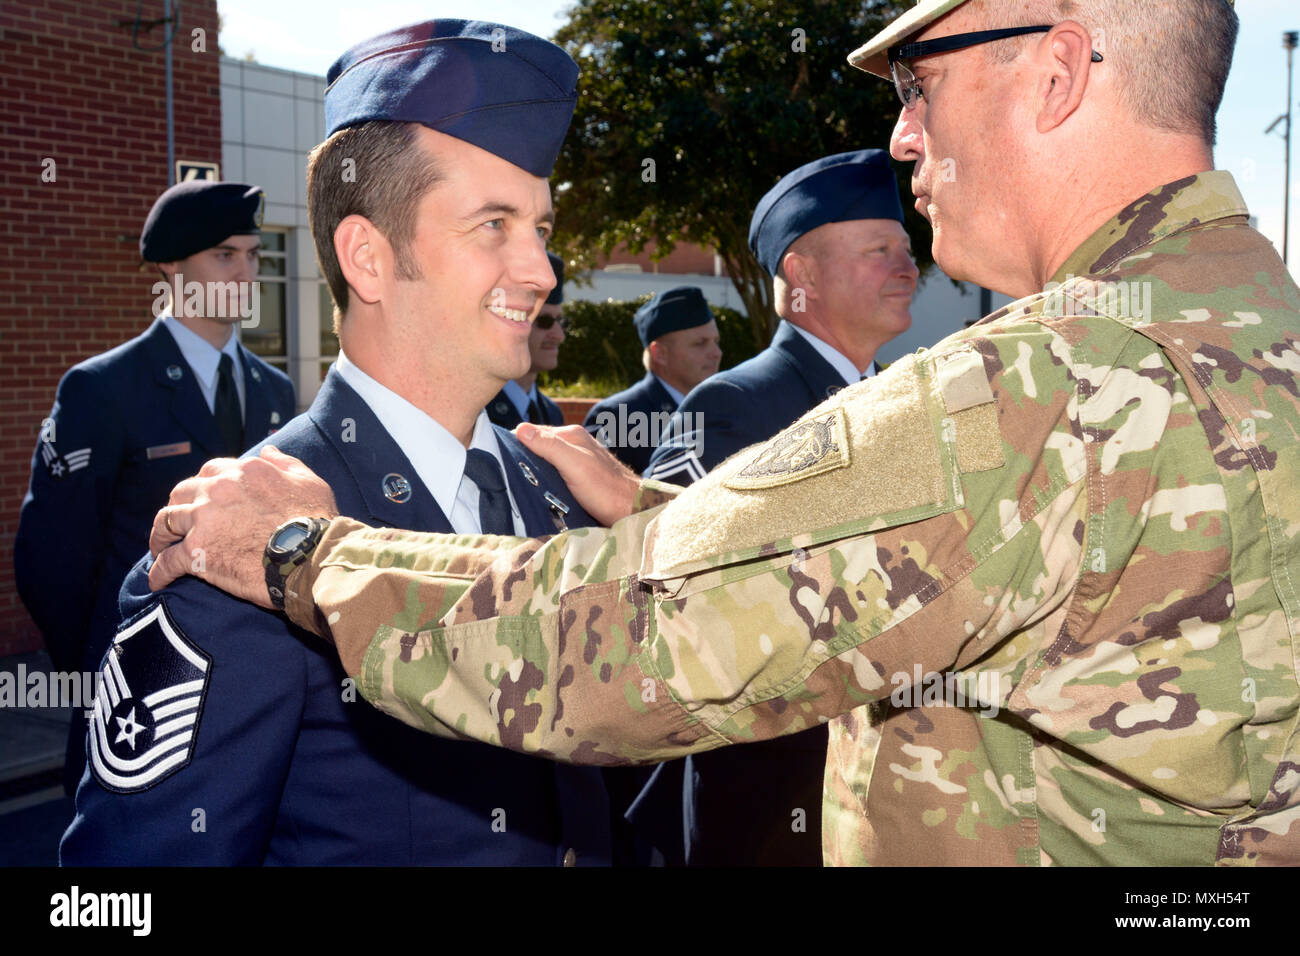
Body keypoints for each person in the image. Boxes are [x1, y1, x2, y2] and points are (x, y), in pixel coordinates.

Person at [152, 0, 1300, 865]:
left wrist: (303, 553)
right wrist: (664, 516)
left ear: (1054, 72)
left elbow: (628, 645)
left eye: (917, 83)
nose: (904, 139)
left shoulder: (1041, 384)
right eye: (492, 222)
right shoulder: (1249, 327)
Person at [61, 19, 616, 867]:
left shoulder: (564, 490)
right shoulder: (232, 551)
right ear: (367, 256)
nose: (542, 270)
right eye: (495, 225)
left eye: (540, 227)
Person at [637, 149, 919, 866]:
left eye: (906, 249)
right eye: (879, 249)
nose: (907, 267)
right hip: (774, 807)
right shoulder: (733, 405)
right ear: (802, 273)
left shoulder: (909, 403)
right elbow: (676, 606)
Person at [14, 179, 296, 794]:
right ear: (171, 266)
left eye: (254, 254)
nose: (247, 271)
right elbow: (52, 560)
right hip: (139, 696)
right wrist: (102, 674)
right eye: (225, 255)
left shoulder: (275, 392)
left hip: (253, 685)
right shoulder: (103, 388)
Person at [583, 285, 721, 474]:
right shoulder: (617, 418)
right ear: (660, 354)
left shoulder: (721, 407)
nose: (716, 353)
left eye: (716, 342)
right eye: (699, 343)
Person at [487, 251, 569, 428]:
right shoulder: (477, 412)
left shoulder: (552, 414)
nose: (559, 335)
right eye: (544, 321)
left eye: (561, 322)